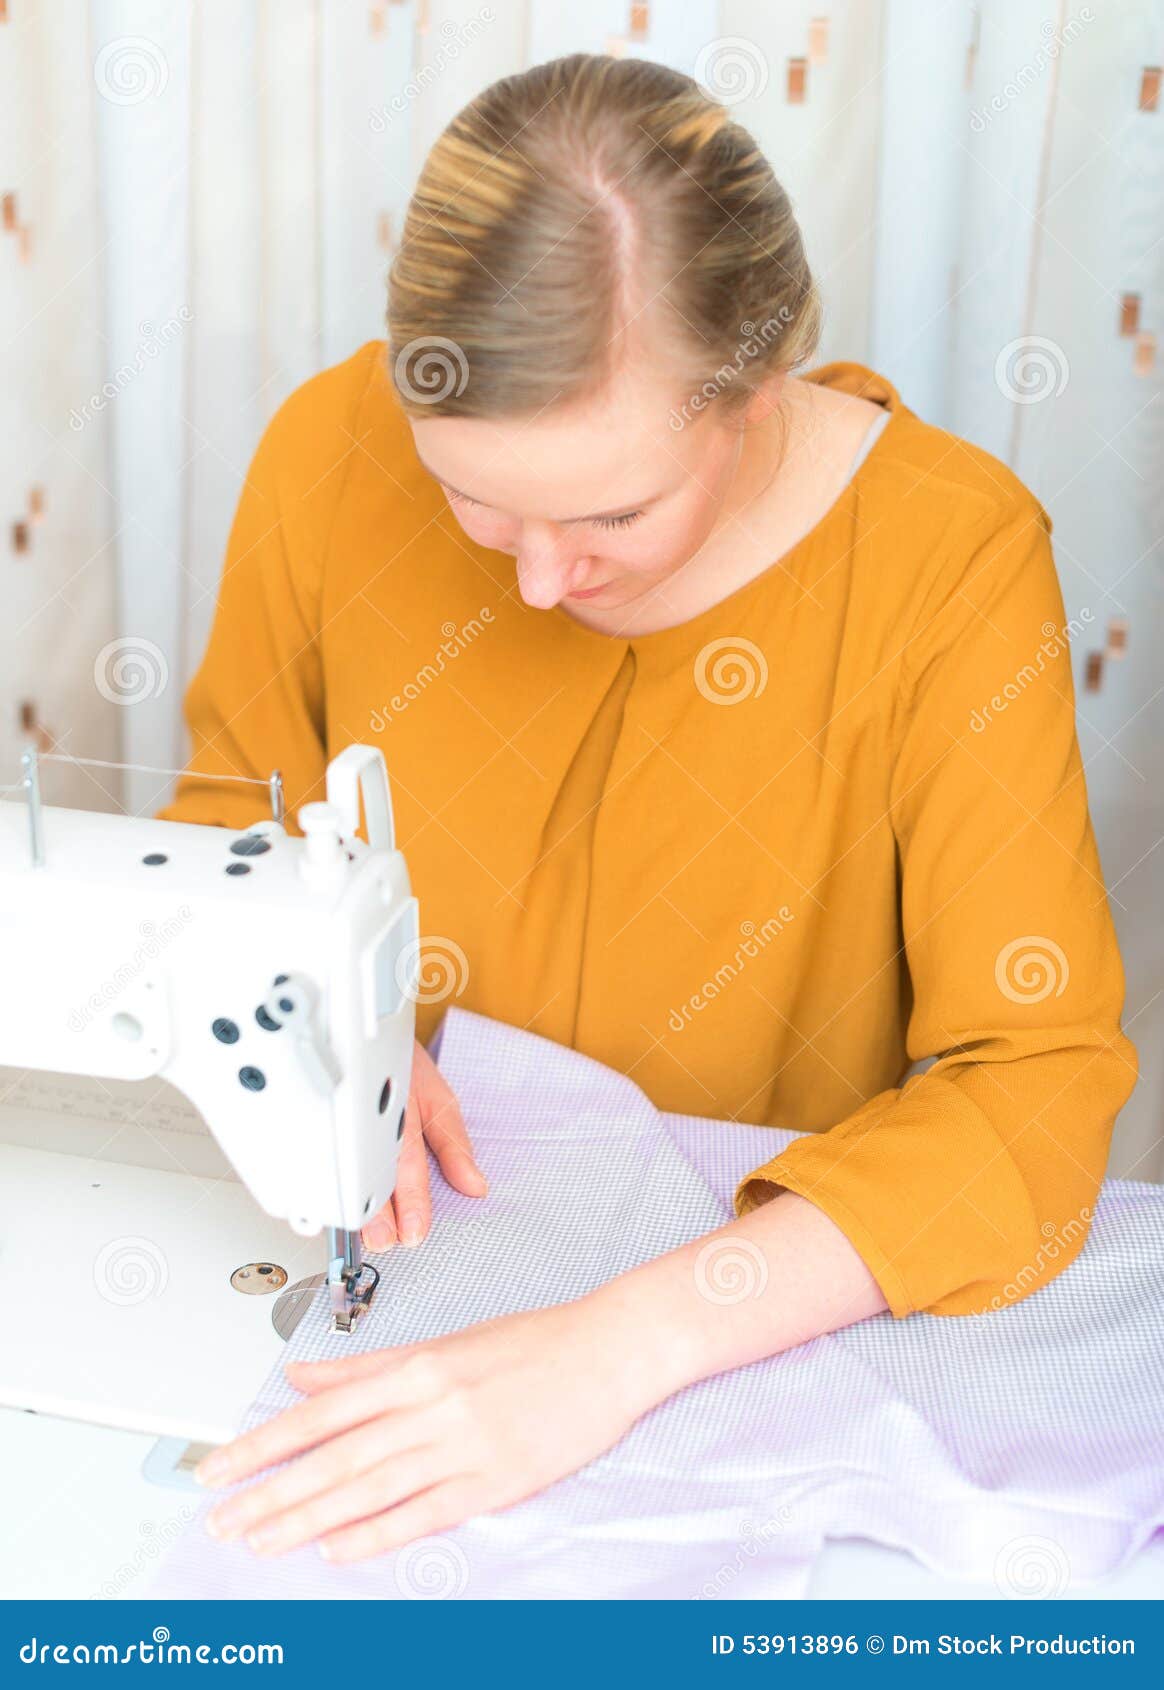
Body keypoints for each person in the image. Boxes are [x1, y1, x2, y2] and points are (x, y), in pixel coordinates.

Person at [159, 54, 1135, 1563]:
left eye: (613, 513)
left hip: (741, 1333)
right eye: (478, 504)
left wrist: (620, 1347)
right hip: (407, 1265)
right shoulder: (328, 450)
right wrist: (304, 1021)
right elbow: (231, 825)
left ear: (753, 395)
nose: (542, 581)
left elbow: (1034, 1083)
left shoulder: (951, 559)